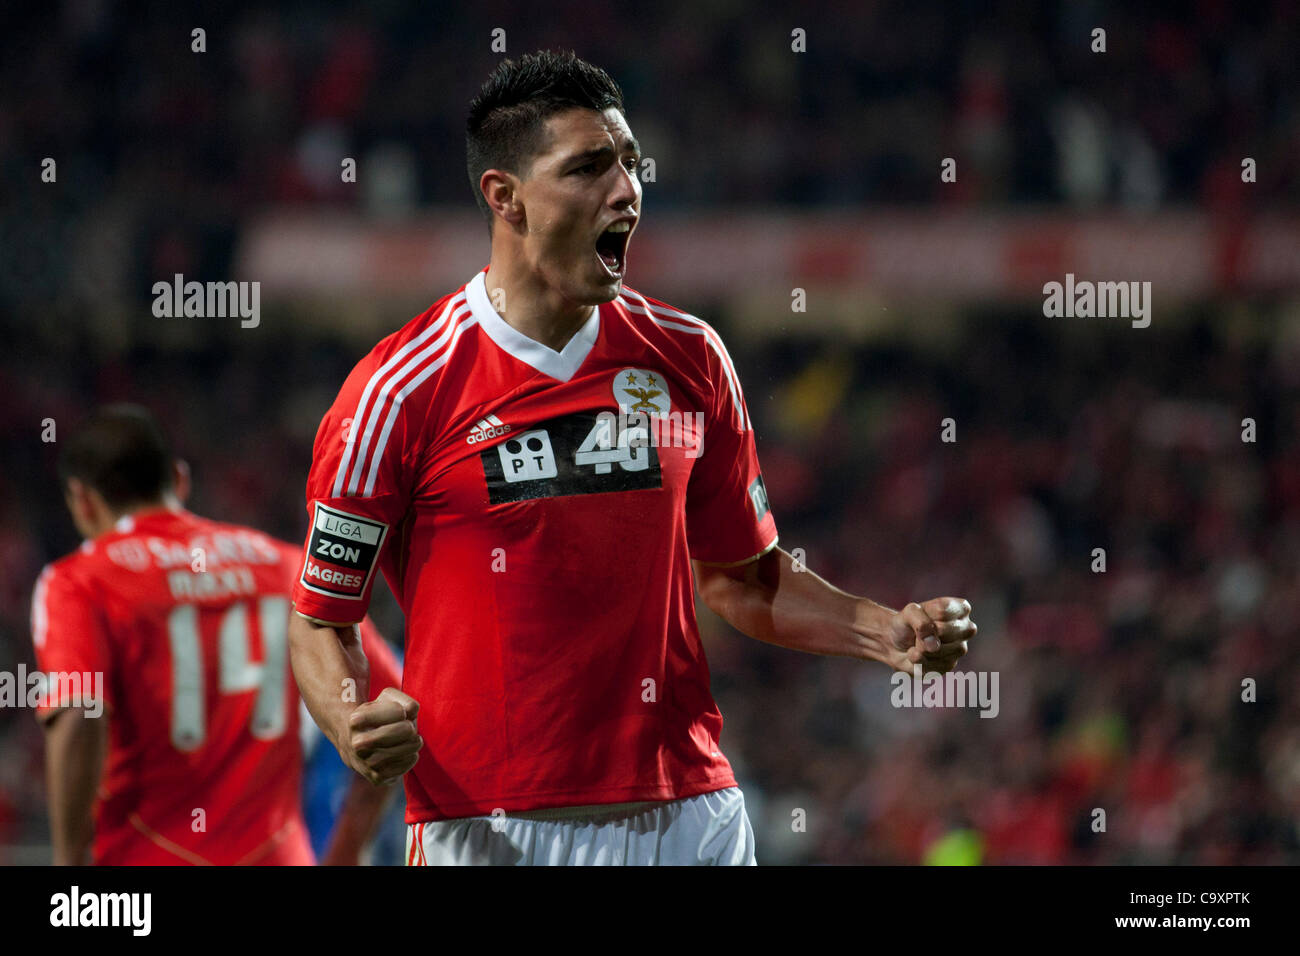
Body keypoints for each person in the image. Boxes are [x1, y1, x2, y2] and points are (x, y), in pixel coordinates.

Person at [288, 49, 976, 866]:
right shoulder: (399, 391)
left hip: (691, 816)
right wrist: (347, 719)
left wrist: (883, 630)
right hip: (493, 827)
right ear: (503, 197)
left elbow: (741, 578)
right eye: (588, 169)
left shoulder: (688, 356)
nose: (627, 192)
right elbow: (320, 618)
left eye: (630, 164)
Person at [32, 404, 402, 865]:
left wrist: (68, 866)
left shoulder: (80, 582)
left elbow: (75, 715)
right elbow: (386, 703)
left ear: (82, 500)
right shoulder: (283, 564)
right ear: (179, 479)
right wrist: (343, 856)